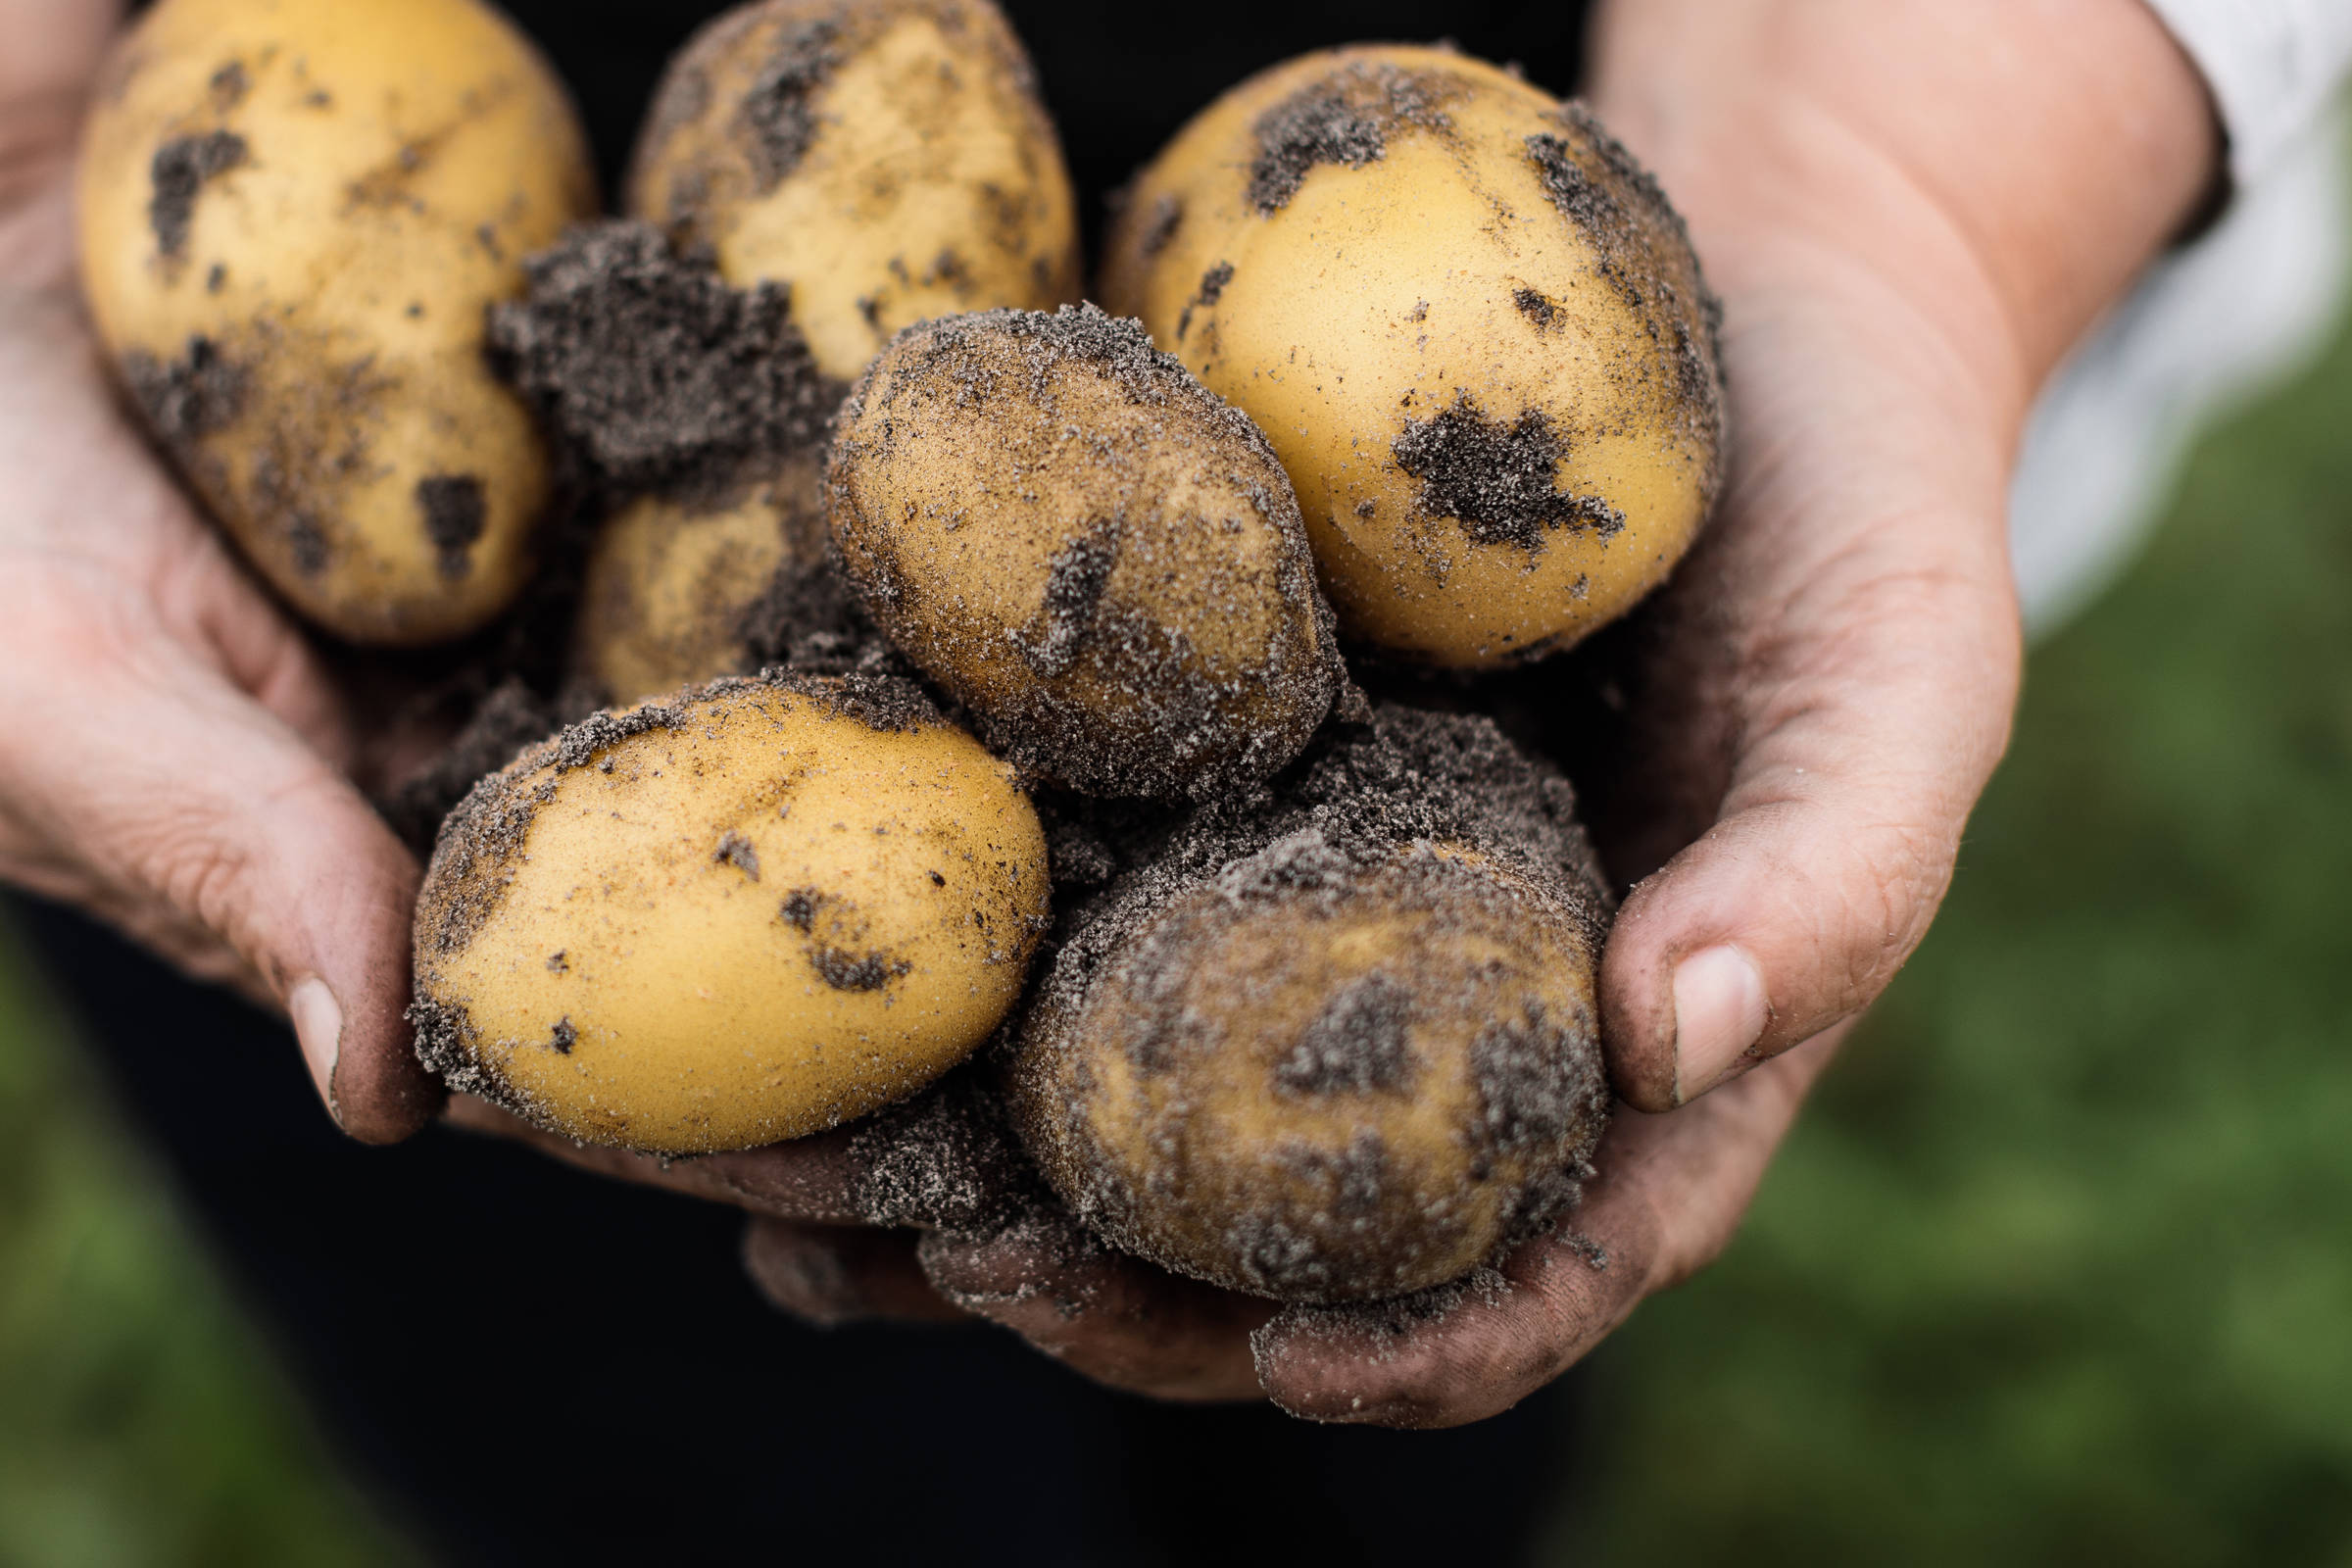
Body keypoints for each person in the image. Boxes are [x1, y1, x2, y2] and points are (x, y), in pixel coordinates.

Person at [1, 0, 2345, 1557]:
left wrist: (1901, 172)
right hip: (329, 441)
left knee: (1391, 1413)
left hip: (1584, 242)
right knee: (663, 1448)